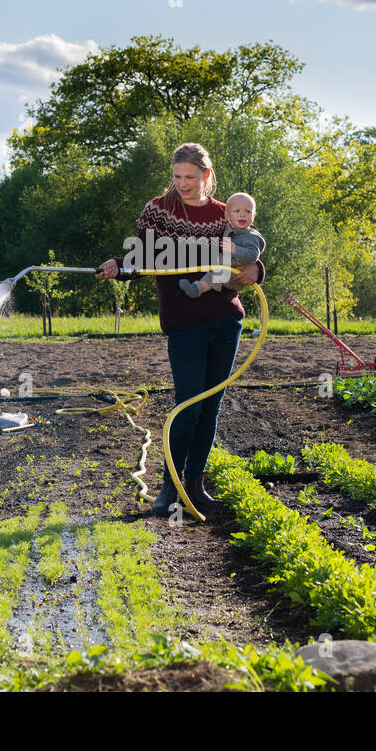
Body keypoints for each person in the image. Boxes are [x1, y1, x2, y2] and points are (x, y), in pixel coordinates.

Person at [96, 143, 266, 517]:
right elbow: (145, 256)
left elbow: (248, 252)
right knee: (187, 405)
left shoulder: (226, 212)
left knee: (210, 407)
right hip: (185, 321)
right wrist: (119, 264)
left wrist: (257, 271)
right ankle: (168, 489)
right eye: (177, 176)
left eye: (190, 177)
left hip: (227, 318)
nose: (183, 183)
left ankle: (195, 485)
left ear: (206, 176)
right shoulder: (159, 209)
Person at [178, 192, 265, 298]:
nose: (242, 214)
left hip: (236, 273)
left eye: (248, 211)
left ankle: (197, 288)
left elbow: (253, 255)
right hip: (225, 264)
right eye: (237, 211)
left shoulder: (251, 236)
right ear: (227, 215)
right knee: (214, 266)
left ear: (253, 216)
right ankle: (196, 286)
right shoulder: (228, 228)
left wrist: (235, 249)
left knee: (216, 274)